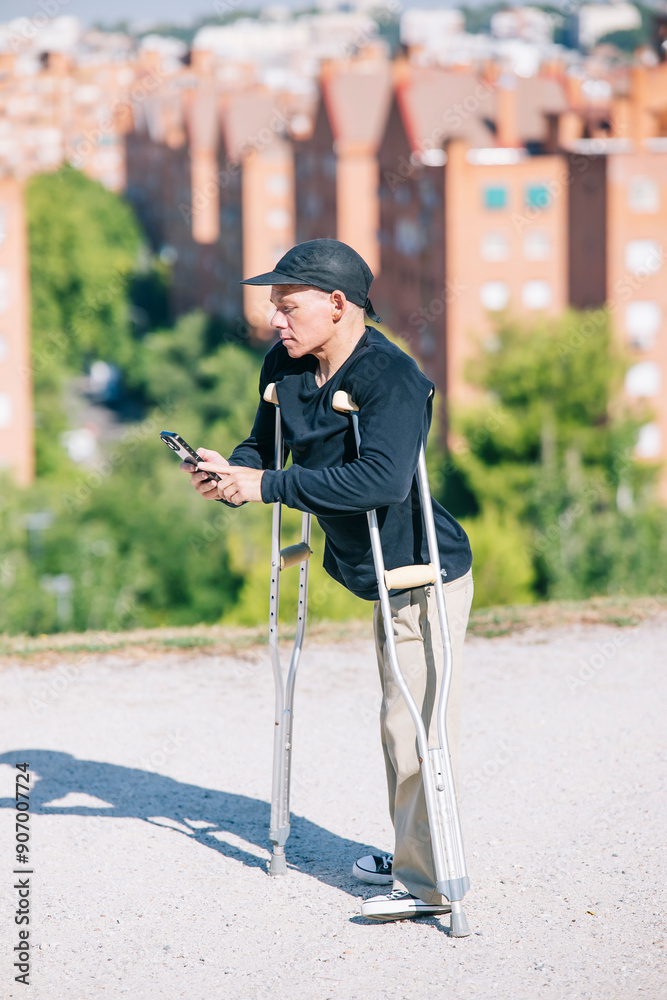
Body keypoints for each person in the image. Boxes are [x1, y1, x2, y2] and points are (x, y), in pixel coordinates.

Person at [181, 239, 474, 922]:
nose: (274, 321)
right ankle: (410, 858)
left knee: (413, 728)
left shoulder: (390, 378)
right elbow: (265, 449)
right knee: (395, 725)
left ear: (337, 305)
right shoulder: (285, 365)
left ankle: (432, 885)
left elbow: (381, 479)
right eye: (272, 308)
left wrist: (270, 486)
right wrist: (231, 476)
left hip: (420, 571)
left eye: (287, 307)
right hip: (365, 569)